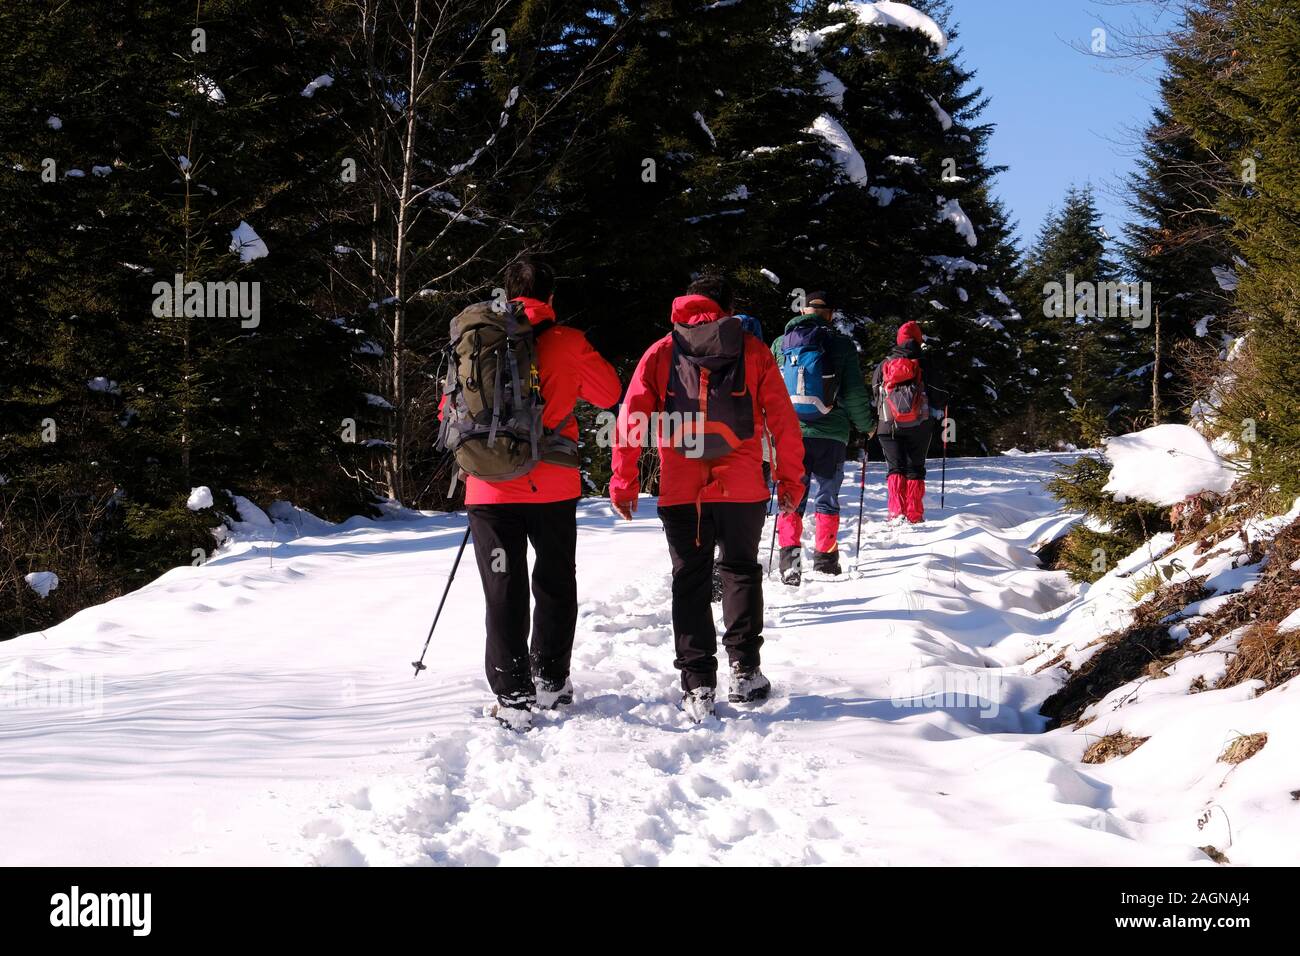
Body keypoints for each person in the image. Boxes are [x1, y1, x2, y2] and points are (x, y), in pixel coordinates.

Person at [609, 276, 804, 721]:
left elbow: (632, 417)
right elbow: (782, 420)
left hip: (681, 489)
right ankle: (745, 671)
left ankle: (697, 684)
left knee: (690, 581)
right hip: (742, 487)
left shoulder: (662, 351)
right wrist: (789, 480)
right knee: (740, 572)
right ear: (727, 307)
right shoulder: (752, 351)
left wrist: (624, 480)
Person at [460, 259, 622, 729]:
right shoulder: (568, 342)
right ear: (550, 298)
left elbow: (449, 410)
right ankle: (550, 679)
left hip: (489, 489)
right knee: (553, 581)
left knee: (502, 587)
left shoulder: (477, 339)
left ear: (506, 293)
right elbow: (609, 391)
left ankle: (511, 693)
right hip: (550, 487)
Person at [771, 290, 875, 584]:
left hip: (791, 434)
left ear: (802, 311)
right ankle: (826, 561)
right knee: (827, 496)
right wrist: (866, 426)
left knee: (791, 498)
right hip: (831, 433)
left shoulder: (780, 344)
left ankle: (789, 562)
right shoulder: (840, 345)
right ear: (830, 314)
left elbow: (769, 390)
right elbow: (854, 393)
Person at [872, 320, 937, 524]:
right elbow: (941, 393)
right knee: (915, 467)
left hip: (888, 423)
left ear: (899, 340)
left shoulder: (885, 363)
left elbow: (875, 391)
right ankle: (914, 514)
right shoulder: (925, 363)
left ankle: (896, 512)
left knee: (895, 468)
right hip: (919, 424)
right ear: (918, 339)